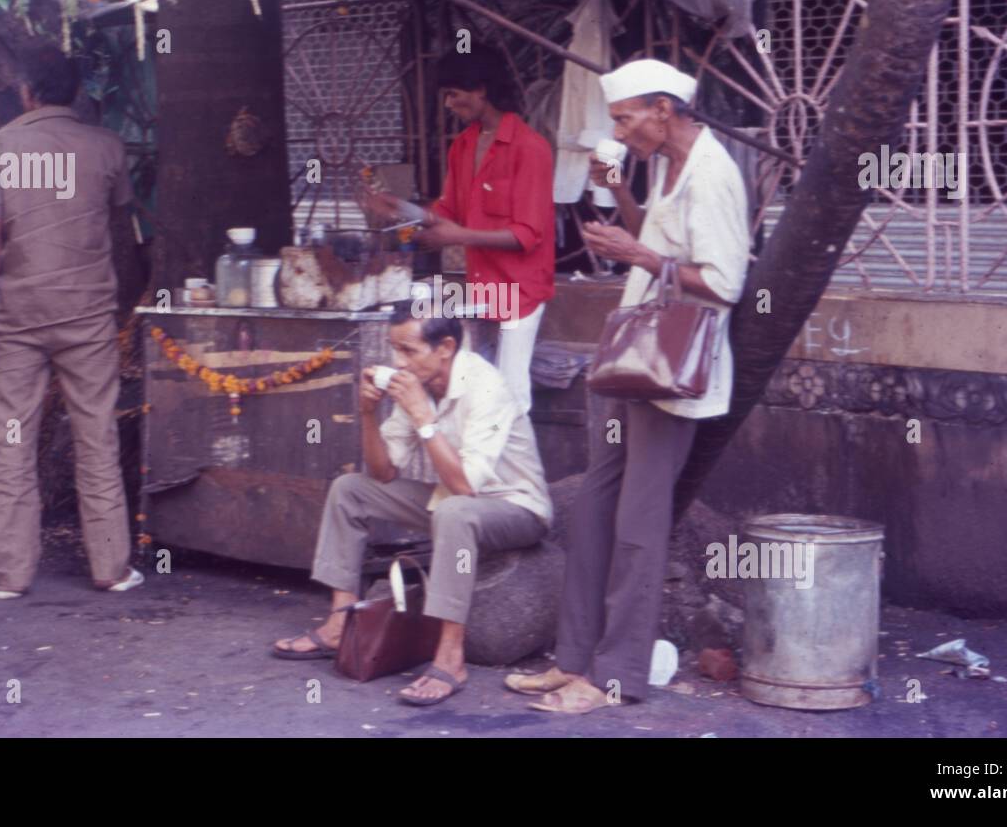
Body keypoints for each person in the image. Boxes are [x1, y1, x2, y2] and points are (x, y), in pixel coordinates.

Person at [504, 59, 751, 713]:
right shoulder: (674, 166)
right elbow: (659, 245)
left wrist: (638, 254)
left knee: (640, 527)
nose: (619, 129)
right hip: (633, 358)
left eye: (624, 117)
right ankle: (575, 659)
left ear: (663, 109)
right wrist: (622, 201)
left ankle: (615, 677)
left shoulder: (714, 173)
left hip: (670, 372)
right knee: (593, 510)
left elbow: (724, 282)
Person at [272, 304, 552, 706]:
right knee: (350, 488)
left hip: (516, 507)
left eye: (409, 351)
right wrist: (368, 412)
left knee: (456, 510)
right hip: (452, 500)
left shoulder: (486, 385)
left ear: (446, 347)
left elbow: (465, 486)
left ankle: (450, 657)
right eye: (394, 351)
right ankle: (339, 623)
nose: (398, 362)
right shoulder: (419, 384)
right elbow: (383, 472)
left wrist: (422, 415)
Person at [0, 42, 142, 599]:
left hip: (20, 318)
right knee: (97, 435)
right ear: (77, 93)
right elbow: (121, 232)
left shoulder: (2, 145)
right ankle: (111, 568)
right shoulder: (107, 147)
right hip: (88, 315)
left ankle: (9, 575)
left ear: (26, 92)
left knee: (13, 439)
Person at [362, 45, 554, 413]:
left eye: (454, 94)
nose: (449, 104)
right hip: (480, 288)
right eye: (445, 95)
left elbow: (526, 236)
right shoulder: (463, 146)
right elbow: (446, 213)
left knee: (512, 395)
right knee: (460, 386)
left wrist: (457, 236)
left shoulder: (531, 148)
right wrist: (398, 210)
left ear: (481, 89)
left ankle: (517, 471)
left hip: (521, 290)